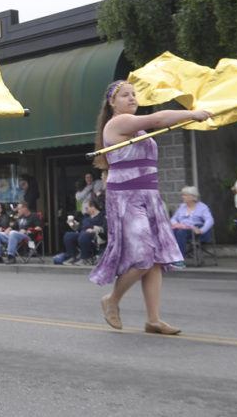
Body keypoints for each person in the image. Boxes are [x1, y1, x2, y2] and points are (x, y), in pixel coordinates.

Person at [90, 80, 211, 335]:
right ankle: (112, 299)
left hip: (148, 196)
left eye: (134, 94)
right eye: (125, 95)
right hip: (127, 197)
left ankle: (153, 319)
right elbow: (158, 119)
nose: (132, 98)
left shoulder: (138, 130)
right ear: (113, 102)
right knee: (144, 256)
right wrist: (192, 113)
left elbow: (155, 124)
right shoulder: (118, 123)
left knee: (154, 259)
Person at [169, 186, 214, 266]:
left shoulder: (202, 207)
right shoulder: (182, 206)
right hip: (182, 228)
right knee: (171, 232)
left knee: (180, 233)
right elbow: (173, 219)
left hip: (195, 230)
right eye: (183, 195)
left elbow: (210, 220)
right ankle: (171, 258)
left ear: (193, 197)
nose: (183, 197)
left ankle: (180, 260)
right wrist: (177, 224)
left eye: (185, 195)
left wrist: (202, 230)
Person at [62, 199, 105, 266]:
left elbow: (104, 228)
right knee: (68, 235)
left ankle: (86, 258)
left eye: (86, 208)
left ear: (93, 207)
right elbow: (79, 228)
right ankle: (73, 256)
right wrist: (73, 224)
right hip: (83, 234)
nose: (85, 210)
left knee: (84, 235)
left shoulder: (102, 216)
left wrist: (94, 229)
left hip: (95, 236)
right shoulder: (86, 217)